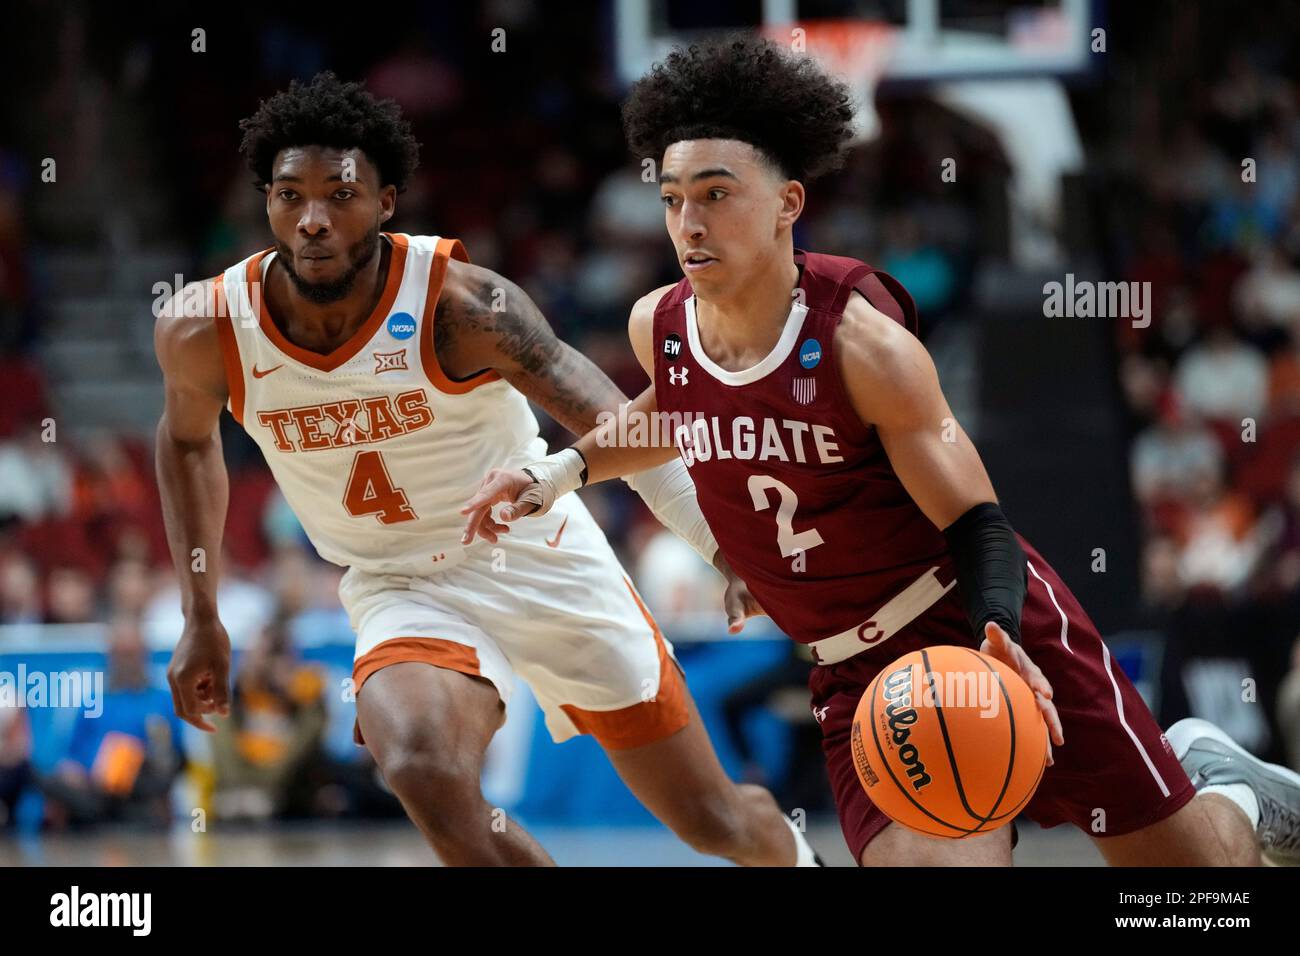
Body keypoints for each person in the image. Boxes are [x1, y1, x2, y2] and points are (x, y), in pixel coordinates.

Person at [462, 35, 1300, 866]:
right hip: (860, 677)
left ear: (789, 202)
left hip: (975, 621)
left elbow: (977, 521)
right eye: (674, 197)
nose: (689, 221)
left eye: (716, 194)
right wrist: (561, 470)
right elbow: (670, 414)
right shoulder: (661, 326)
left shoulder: (862, 343)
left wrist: (1000, 632)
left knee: (1193, 891)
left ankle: (1222, 786)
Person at [155, 71, 813, 866]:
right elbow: (188, 442)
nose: (314, 220)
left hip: (538, 552)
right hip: (399, 580)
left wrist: (718, 544)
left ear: (387, 202)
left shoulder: (461, 304)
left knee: (711, 820)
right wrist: (201, 612)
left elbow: (611, 420)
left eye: (342, 194)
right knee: (419, 765)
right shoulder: (204, 326)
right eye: (290, 196)